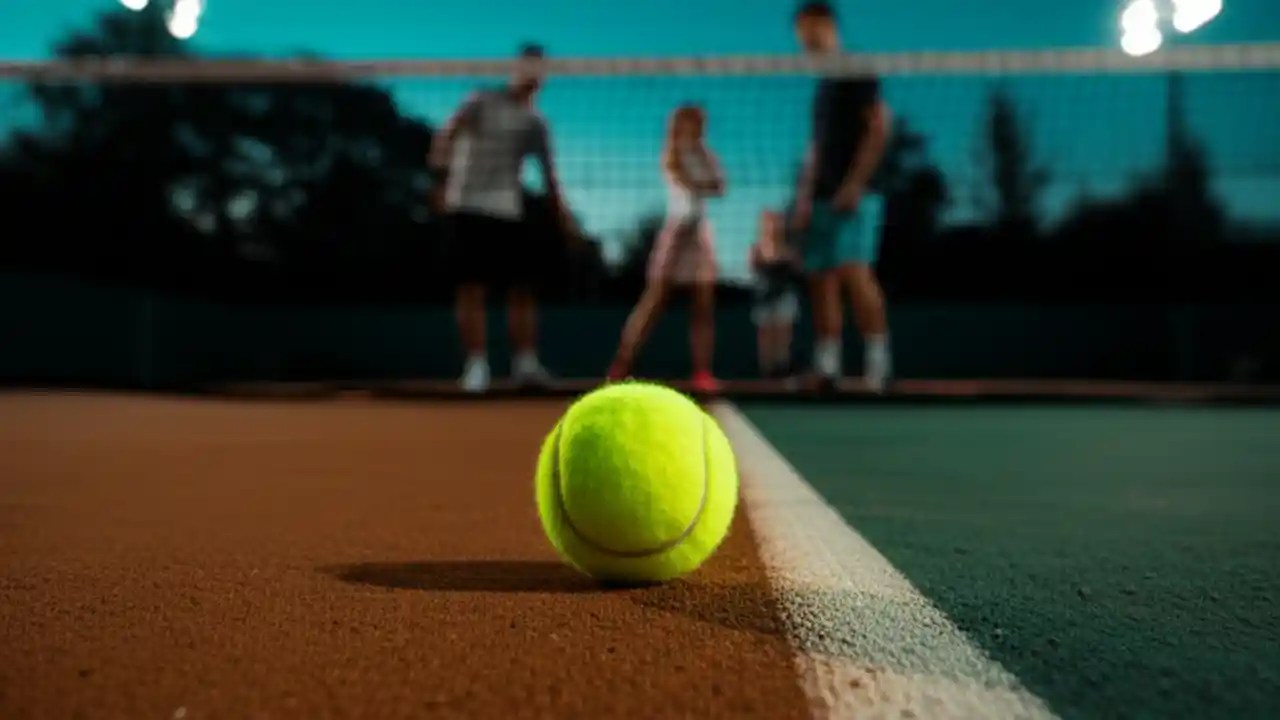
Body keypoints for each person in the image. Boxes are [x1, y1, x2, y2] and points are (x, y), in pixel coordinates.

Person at [428, 43, 573, 393]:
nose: (533, 76)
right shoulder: (480, 101)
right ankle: (477, 367)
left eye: (539, 71)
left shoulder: (537, 122)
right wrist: (440, 179)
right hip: (466, 206)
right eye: (527, 68)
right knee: (471, 289)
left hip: (509, 212)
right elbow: (446, 135)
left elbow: (549, 174)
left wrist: (563, 216)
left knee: (523, 290)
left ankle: (525, 365)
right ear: (515, 69)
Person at [792, 1, 894, 393]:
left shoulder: (857, 69)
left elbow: (878, 129)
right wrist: (804, 198)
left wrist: (855, 182)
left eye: (809, 29)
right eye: (800, 33)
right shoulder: (822, 88)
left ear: (827, 25)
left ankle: (877, 366)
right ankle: (828, 367)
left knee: (855, 271)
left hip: (857, 193)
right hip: (819, 198)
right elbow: (815, 149)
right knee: (820, 279)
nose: (804, 39)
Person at [607, 104, 725, 393]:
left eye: (699, 121)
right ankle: (621, 366)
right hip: (677, 231)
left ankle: (702, 373)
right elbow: (687, 180)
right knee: (654, 301)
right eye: (690, 120)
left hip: (698, 234)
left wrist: (705, 182)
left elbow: (719, 186)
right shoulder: (672, 153)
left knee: (702, 307)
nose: (697, 125)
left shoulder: (706, 154)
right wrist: (703, 183)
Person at [749, 209, 802, 380]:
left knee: (783, 333)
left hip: (784, 297)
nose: (772, 227)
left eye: (775, 222)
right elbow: (755, 265)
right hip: (764, 298)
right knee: (765, 335)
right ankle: (766, 371)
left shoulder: (788, 247)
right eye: (768, 223)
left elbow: (796, 266)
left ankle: (783, 368)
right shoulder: (757, 248)